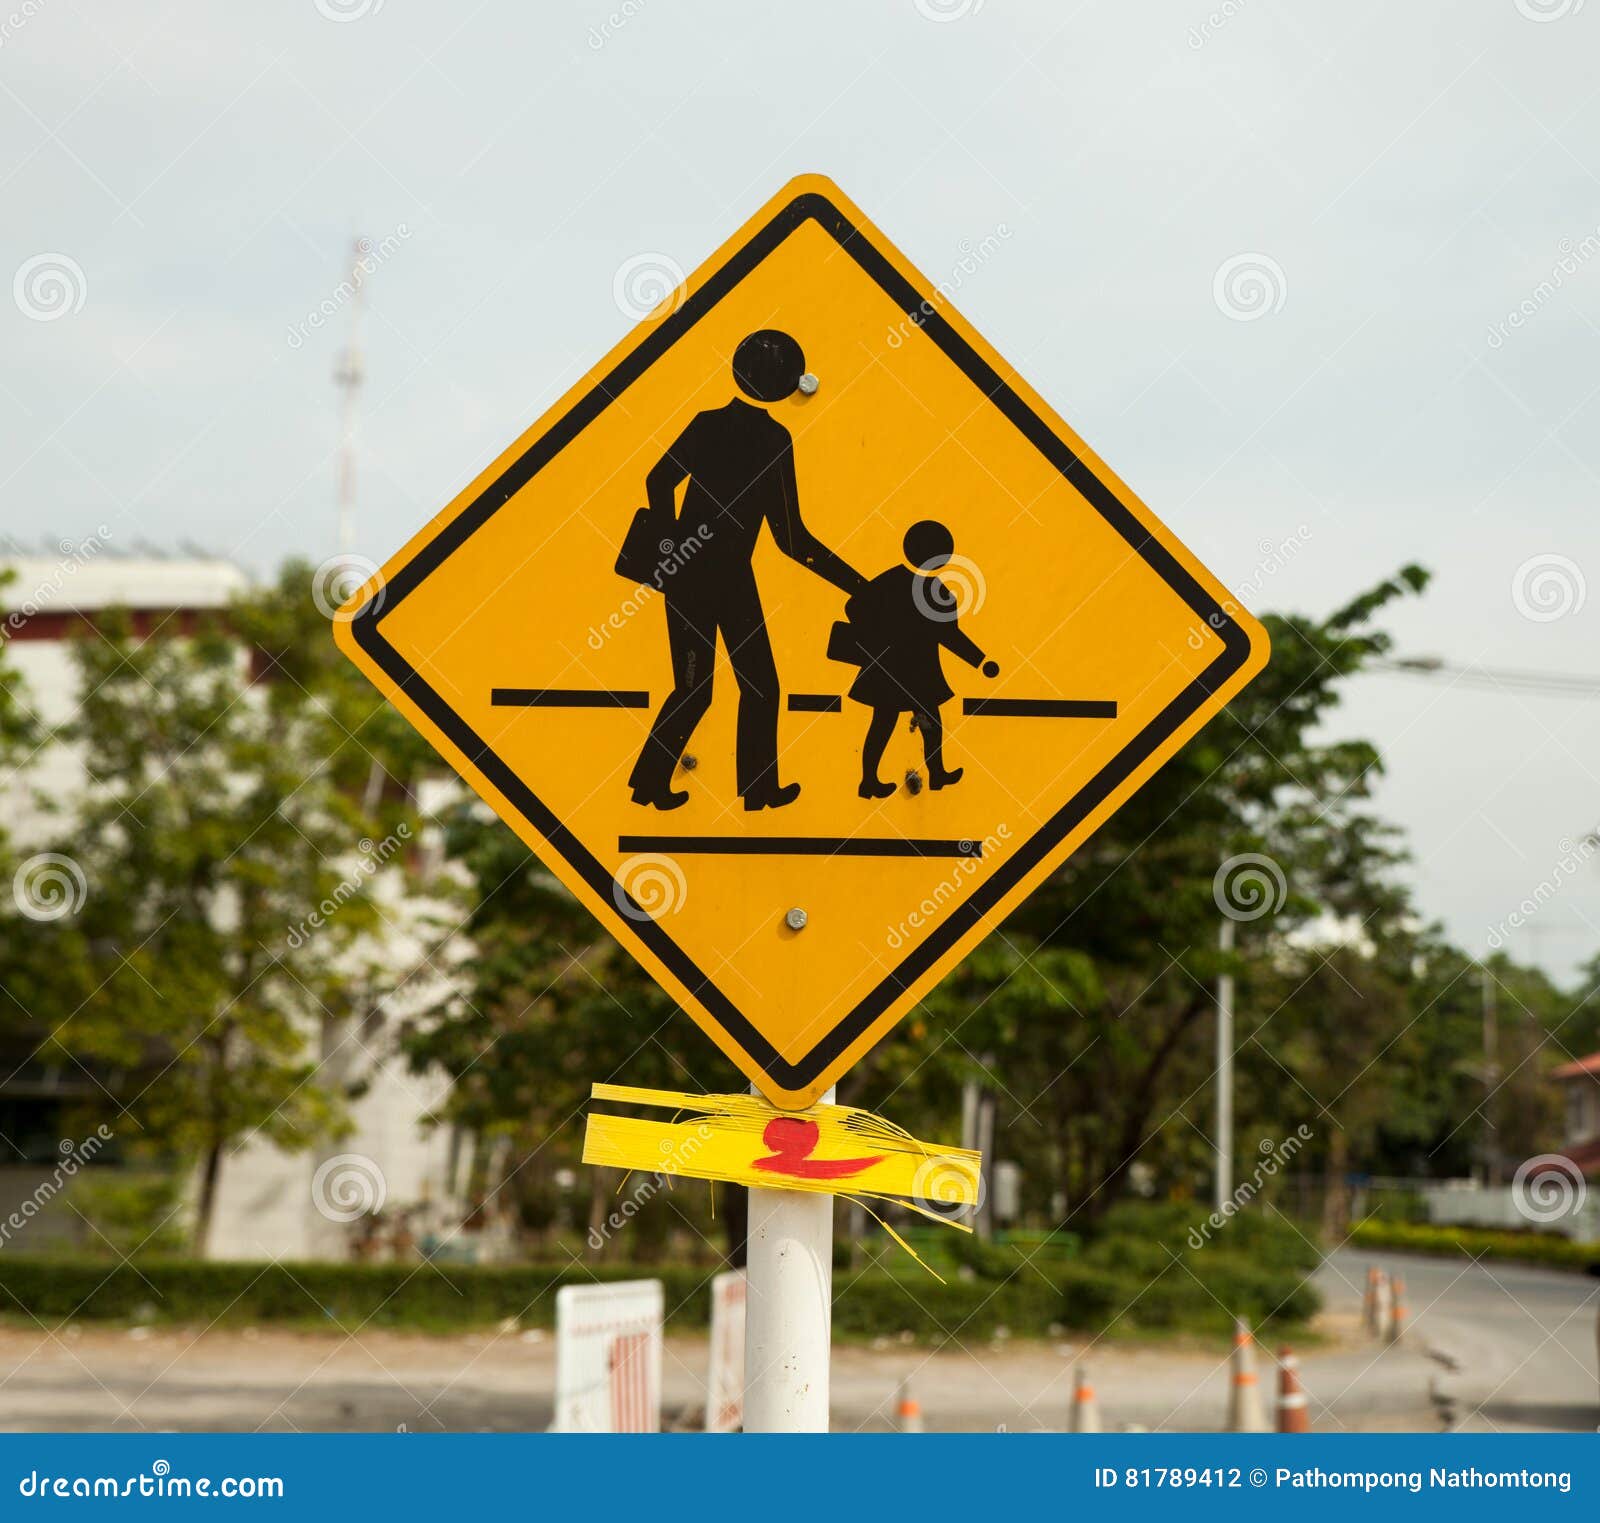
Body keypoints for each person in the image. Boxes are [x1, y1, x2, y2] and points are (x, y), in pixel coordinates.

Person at [625, 330, 864, 811]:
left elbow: (658, 480)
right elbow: (792, 538)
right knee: (735, 689)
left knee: (720, 688)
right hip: (717, 576)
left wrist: (673, 543)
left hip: (708, 576)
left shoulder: (707, 424)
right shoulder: (774, 438)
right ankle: (674, 786)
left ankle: (753, 789)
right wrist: (859, 585)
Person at [832, 519, 998, 799]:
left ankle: (932, 774)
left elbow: (949, 635)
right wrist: (979, 661)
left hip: (910, 672)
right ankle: (873, 780)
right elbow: (950, 636)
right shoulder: (931, 590)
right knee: (905, 722)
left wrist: (979, 660)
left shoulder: (902, 583)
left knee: (915, 721)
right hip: (900, 670)